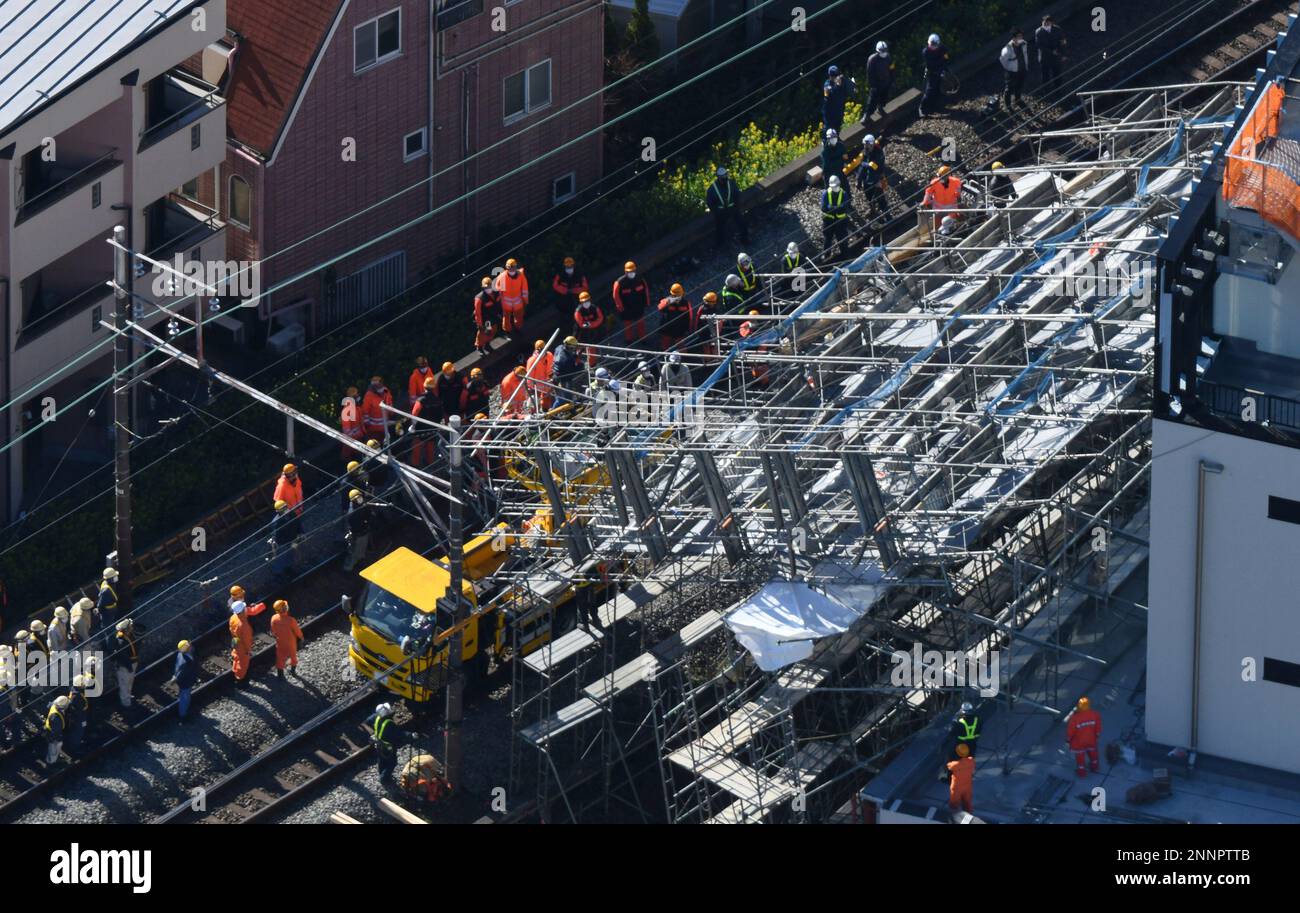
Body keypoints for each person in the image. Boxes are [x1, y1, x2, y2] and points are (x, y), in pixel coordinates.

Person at [705, 166, 749, 248]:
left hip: (733, 209)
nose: (724, 180)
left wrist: (737, 206)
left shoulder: (731, 183)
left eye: (725, 178)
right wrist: (716, 212)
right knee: (719, 229)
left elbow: (737, 194)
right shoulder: (712, 189)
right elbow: (710, 202)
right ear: (718, 178)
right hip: (720, 213)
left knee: (742, 223)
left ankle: (744, 239)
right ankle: (720, 244)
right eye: (722, 179)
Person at [612, 261, 650, 344]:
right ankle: (629, 340)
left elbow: (645, 290)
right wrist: (620, 307)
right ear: (625, 272)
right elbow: (616, 296)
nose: (631, 273)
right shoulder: (619, 282)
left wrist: (647, 302)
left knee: (640, 323)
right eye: (629, 271)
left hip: (638, 305)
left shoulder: (640, 279)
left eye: (633, 271)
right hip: (626, 308)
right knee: (628, 324)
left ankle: (642, 338)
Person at [229, 599, 266, 683]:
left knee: (235, 656)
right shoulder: (244, 626)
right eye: (245, 607)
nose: (246, 608)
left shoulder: (233, 617)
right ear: (242, 611)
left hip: (235, 640)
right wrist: (248, 651)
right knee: (242, 663)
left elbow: (231, 629)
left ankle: (236, 673)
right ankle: (240, 681)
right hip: (242, 646)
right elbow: (247, 640)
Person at [1066, 696, 1102, 776]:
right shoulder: (1095, 715)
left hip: (1078, 742)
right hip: (1091, 740)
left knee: (1080, 757)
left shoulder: (1075, 718)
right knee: (1093, 753)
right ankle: (1094, 767)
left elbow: (1070, 732)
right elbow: (1098, 728)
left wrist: (1068, 740)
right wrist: (1096, 736)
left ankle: (1082, 772)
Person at [409, 377, 441, 468]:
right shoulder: (437, 400)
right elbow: (440, 415)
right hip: (432, 428)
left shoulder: (421, 400)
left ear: (424, 387)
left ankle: (415, 465)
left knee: (417, 447)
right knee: (430, 447)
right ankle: (430, 464)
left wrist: (413, 426)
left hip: (420, 428)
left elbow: (414, 414)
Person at [921, 165, 962, 236]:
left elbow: (958, 194)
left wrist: (959, 204)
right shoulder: (934, 183)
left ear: (947, 176)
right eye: (939, 176)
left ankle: (952, 232)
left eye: (942, 176)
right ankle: (937, 234)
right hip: (938, 208)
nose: (940, 178)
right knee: (937, 226)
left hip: (951, 207)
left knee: (948, 221)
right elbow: (928, 193)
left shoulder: (956, 182)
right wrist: (924, 203)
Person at [344, 489, 377, 572]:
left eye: (360, 497)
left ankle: (361, 558)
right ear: (353, 501)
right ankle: (351, 565)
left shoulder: (363, 505)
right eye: (357, 498)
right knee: (355, 551)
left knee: (362, 548)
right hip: (358, 534)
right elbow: (355, 525)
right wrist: (366, 523)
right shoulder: (352, 513)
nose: (359, 499)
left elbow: (368, 514)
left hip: (363, 531)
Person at [270, 600, 304, 678]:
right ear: (286, 608)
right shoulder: (291, 620)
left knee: (280, 658)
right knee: (293, 656)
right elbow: (297, 631)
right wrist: (301, 637)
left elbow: (273, 630)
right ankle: (293, 671)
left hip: (280, 642)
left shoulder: (273, 618)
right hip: (291, 642)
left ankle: (280, 675)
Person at [919, 33, 950, 118]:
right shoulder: (926, 52)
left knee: (938, 90)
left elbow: (946, 59)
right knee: (929, 91)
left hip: (940, 72)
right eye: (932, 45)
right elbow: (931, 65)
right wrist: (941, 62)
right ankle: (922, 108)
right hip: (932, 74)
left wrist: (943, 68)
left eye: (935, 45)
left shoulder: (942, 49)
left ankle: (935, 107)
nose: (933, 47)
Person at [494, 258, 529, 333]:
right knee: (506, 318)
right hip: (507, 303)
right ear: (507, 268)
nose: (512, 270)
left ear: (516, 267)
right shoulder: (503, 277)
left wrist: (525, 301)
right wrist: (497, 302)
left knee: (519, 317)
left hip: (517, 302)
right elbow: (499, 291)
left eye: (513, 268)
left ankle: (518, 328)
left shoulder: (521, 275)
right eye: (510, 268)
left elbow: (524, 289)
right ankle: (507, 330)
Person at [270, 498, 301, 581]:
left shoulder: (291, 513)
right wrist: (291, 542)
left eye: (286, 507)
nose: (286, 510)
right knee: (281, 558)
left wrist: (301, 533)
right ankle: (278, 575)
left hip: (291, 539)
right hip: (282, 543)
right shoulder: (276, 522)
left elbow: (297, 523)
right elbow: (278, 537)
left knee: (290, 556)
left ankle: (289, 569)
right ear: (279, 512)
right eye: (283, 509)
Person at [864, 41, 895, 123]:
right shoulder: (872, 59)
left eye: (885, 50)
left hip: (886, 82)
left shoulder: (888, 57)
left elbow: (891, 68)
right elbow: (869, 73)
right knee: (872, 100)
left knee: (884, 97)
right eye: (882, 51)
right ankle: (867, 115)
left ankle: (880, 108)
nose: (884, 53)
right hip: (876, 84)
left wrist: (892, 80)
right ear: (877, 51)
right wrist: (872, 85)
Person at [857, 134, 888, 217]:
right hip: (867, 180)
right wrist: (859, 181)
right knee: (869, 197)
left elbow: (876, 167)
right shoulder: (865, 152)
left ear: (872, 144)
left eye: (867, 145)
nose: (866, 147)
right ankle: (872, 209)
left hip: (876, 179)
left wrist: (866, 165)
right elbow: (863, 166)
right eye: (865, 145)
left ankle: (886, 213)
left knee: (880, 198)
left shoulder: (879, 153)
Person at [368, 702, 399, 784]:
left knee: (381, 760)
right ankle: (384, 779)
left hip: (378, 745)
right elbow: (399, 734)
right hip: (387, 747)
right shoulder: (389, 724)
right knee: (392, 762)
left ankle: (381, 772)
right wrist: (411, 736)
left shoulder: (377, 717)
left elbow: (368, 720)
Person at [821, 174, 852, 254]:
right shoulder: (826, 194)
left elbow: (846, 207)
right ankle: (826, 256)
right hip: (829, 221)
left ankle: (845, 254)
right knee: (828, 239)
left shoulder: (843, 194)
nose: (836, 187)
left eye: (837, 185)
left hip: (841, 221)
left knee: (842, 239)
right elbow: (823, 208)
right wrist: (838, 208)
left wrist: (831, 208)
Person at [821, 65, 857, 133]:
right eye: (833, 75)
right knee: (829, 131)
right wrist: (837, 85)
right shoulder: (827, 84)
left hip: (839, 112)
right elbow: (828, 95)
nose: (835, 77)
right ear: (830, 76)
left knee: (837, 130)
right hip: (829, 114)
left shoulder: (842, 82)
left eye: (836, 75)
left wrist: (853, 86)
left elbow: (850, 90)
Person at [113, 618, 140, 709]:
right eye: (130, 626)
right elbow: (123, 657)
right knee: (124, 684)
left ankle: (128, 695)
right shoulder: (121, 640)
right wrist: (129, 667)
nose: (132, 627)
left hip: (132, 662)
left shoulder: (129, 635)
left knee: (129, 681)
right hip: (125, 666)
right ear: (127, 628)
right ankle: (125, 703)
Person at [1035, 14, 1067, 91]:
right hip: (1045, 56)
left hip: (1056, 56)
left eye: (1047, 23)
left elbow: (1063, 41)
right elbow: (1039, 46)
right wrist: (1052, 51)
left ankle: (1058, 89)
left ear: (1051, 23)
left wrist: (1063, 53)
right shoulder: (1039, 32)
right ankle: (1046, 90)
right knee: (1045, 75)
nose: (1045, 24)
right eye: (1044, 23)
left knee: (1057, 73)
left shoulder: (1058, 29)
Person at [573, 291, 605, 367]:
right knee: (578, 350)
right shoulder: (578, 312)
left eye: (587, 301)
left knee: (592, 348)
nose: (586, 303)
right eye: (584, 301)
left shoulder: (595, 308)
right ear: (581, 302)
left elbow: (600, 318)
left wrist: (590, 324)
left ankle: (592, 364)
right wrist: (593, 324)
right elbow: (581, 325)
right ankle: (576, 364)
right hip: (580, 333)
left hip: (592, 333)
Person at [1000, 28, 1029, 110]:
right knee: (1009, 89)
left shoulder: (1024, 44)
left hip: (1022, 69)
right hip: (1011, 72)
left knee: (1020, 85)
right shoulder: (1007, 49)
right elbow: (1002, 60)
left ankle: (1018, 99)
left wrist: (1026, 66)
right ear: (1013, 38)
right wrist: (1009, 68)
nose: (1021, 38)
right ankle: (1008, 106)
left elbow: (1025, 55)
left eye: (1021, 36)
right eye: (1019, 36)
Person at [657, 283, 692, 351]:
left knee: (680, 345)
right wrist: (666, 301)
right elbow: (660, 308)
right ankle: (664, 356)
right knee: (665, 345)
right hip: (668, 328)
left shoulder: (686, 303)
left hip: (678, 329)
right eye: (675, 295)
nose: (677, 297)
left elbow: (689, 317)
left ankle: (684, 357)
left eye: (678, 295)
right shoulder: (667, 301)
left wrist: (688, 329)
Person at [472, 276, 499, 355]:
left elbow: (498, 302)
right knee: (483, 333)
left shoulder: (495, 293)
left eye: (490, 286)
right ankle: (479, 347)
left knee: (492, 331)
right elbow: (477, 313)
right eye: (486, 287)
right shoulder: (479, 298)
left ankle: (487, 345)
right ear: (483, 287)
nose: (489, 288)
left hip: (493, 316)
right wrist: (479, 325)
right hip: (486, 319)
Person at [552, 336, 583, 404]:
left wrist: (575, 355)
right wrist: (580, 364)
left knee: (559, 396)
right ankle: (567, 408)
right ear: (570, 347)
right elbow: (574, 370)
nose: (574, 349)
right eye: (574, 347)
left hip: (555, 375)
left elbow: (568, 354)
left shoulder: (559, 347)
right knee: (565, 397)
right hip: (563, 378)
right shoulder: (566, 360)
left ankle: (566, 405)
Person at [361, 376, 393, 442]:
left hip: (385, 426)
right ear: (373, 387)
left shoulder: (385, 391)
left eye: (381, 385)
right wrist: (368, 427)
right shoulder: (368, 396)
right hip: (374, 430)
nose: (380, 388)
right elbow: (365, 413)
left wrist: (391, 413)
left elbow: (389, 403)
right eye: (378, 386)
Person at [172, 641, 198, 721]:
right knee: (184, 698)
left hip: (186, 680)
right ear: (187, 649)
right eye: (189, 646)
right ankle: (183, 716)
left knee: (185, 696)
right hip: (186, 683)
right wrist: (175, 678)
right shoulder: (185, 662)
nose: (191, 645)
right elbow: (180, 674)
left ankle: (183, 712)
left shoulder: (180, 654)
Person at [526, 340, 555, 410]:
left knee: (547, 397)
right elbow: (529, 376)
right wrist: (530, 387)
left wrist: (552, 378)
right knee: (535, 400)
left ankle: (545, 410)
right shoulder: (532, 360)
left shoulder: (549, 355)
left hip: (547, 381)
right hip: (536, 384)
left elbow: (552, 367)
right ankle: (534, 413)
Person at [947, 742, 975, 814]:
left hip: (957, 786)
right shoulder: (971, 761)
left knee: (954, 800)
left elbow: (949, 766)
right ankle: (968, 811)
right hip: (967, 785)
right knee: (967, 799)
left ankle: (954, 812)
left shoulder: (955, 764)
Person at [339, 386, 364, 460]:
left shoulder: (357, 408)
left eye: (357, 395)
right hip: (353, 446)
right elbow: (347, 432)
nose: (358, 397)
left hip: (359, 440)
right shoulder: (347, 411)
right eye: (355, 396)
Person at [66, 674, 90, 750]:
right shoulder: (77, 697)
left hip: (76, 716)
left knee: (76, 730)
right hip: (79, 718)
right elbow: (79, 711)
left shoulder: (74, 690)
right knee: (78, 731)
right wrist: (83, 721)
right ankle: (75, 746)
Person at [44, 695, 69, 765]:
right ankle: (51, 761)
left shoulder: (54, 705)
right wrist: (57, 739)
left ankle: (52, 758)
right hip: (53, 735)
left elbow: (47, 707)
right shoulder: (56, 718)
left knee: (54, 746)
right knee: (54, 747)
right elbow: (55, 732)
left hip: (50, 730)